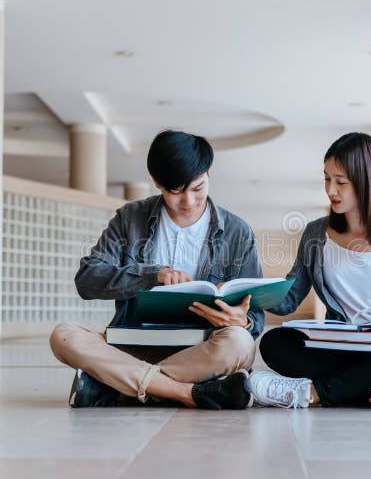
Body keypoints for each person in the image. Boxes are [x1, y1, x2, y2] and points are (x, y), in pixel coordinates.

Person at [50, 130, 264, 410]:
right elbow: (87, 280)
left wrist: (243, 321)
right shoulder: (130, 219)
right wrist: (151, 275)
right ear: (156, 182)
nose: (188, 201)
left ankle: (113, 387)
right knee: (64, 335)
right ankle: (186, 392)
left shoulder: (237, 232)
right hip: (133, 346)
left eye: (198, 188)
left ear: (208, 174)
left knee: (240, 343)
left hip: (201, 349)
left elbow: (256, 314)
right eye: (176, 192)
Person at [246, 132, 371, 409]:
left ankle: (313, 393)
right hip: (341, 345)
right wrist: (249, 295)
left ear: (367, 182)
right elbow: (289, 298)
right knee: (275, 342)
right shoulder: (316, 234)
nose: (330, 190)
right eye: (327, 179)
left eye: (341, 182)